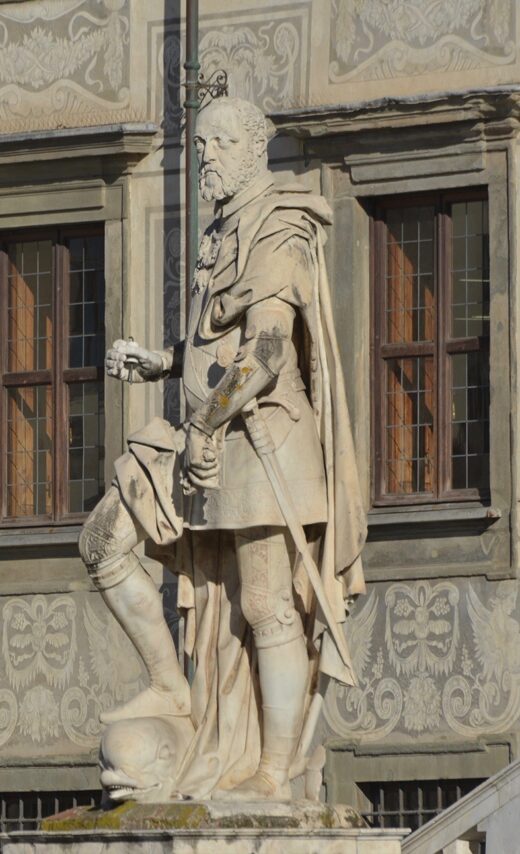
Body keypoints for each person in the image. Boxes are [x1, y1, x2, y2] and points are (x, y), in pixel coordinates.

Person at [78, 96, 367, 801]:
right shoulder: (223, 228)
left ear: (250, 148)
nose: (203, 155)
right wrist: (162, 361)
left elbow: (266, 352)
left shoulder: (277, 225)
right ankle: (172, 687)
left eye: (215, 143)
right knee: (105, 537)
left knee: (267, 603)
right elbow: (219, 341)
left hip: (265, 441)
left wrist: (203, 425)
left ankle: (272, 774)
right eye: (201, 143)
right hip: (213, 434)